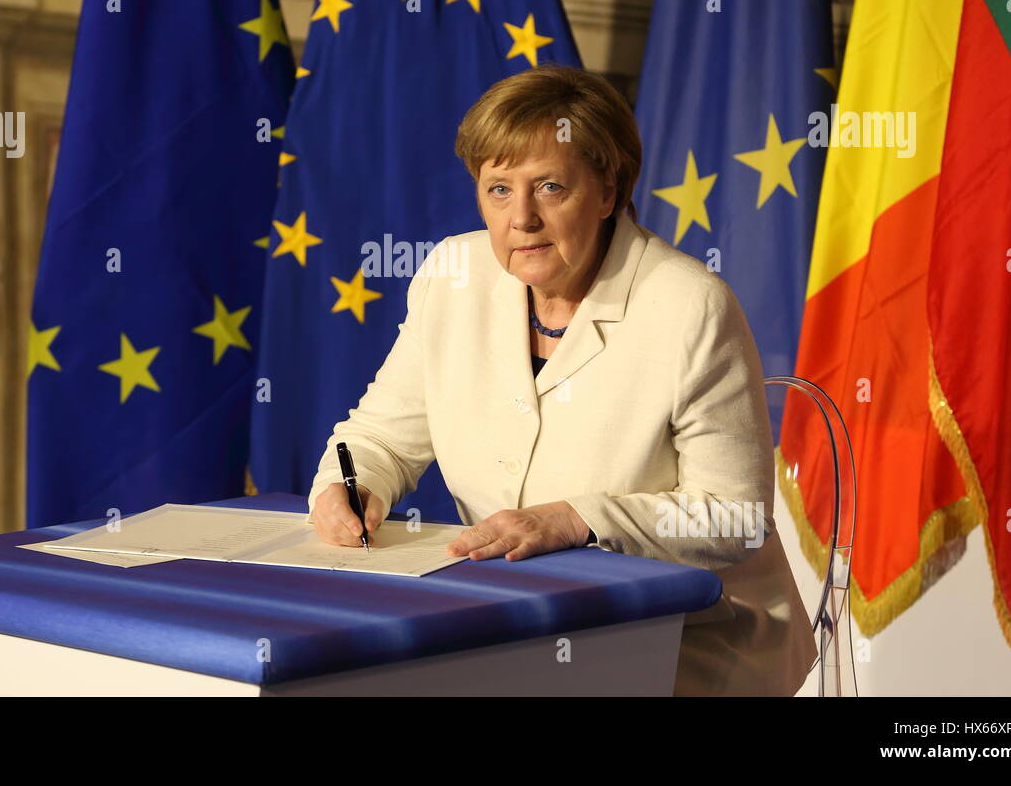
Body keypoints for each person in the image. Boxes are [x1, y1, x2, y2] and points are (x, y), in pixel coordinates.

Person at [306, 63, 817, 695]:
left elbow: (735, 518)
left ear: (607, 191)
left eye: (550, 187)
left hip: (687, 644)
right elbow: (381, 437)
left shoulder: (689, 304)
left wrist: (579, 519)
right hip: (517, 627)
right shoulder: (452, 276)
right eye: (499, 189)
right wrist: (348, 486)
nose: (521, 217)